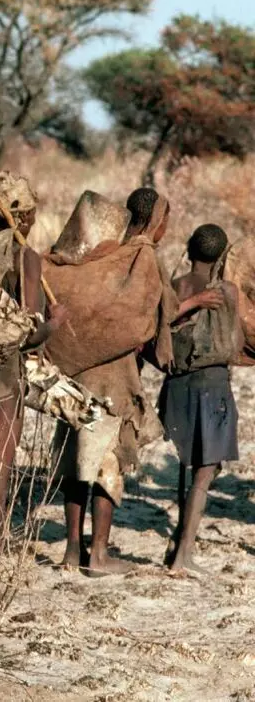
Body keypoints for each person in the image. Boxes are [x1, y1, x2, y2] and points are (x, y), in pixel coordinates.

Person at [50, 187, 195, 575]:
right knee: (107, 466)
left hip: (77, 374)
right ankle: (98, 556)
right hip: (113, 380)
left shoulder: (101, 251)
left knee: (75, 464)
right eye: (164, 221)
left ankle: (70, 552)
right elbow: (151, 319)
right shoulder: (142, 258)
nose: (165, 230)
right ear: (153, 221)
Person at [0, 175, 67, 580]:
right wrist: (55, 324)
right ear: (23, 216)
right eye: (33, 212)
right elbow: (27, 331)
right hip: (4, 379)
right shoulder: (27, 259)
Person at [160, 224, 237, 574]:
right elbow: (236, 342)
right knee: (205, 475)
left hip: (177, 387)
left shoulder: (175, 287)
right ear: (221, 257)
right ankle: (183, 557)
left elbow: (158, 325)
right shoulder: (229, 293)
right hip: (212, 386)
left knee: (185, 463)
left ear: (189, 250)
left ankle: (177, 541)